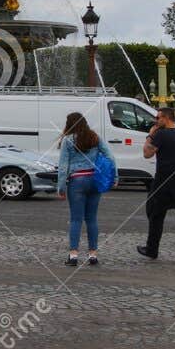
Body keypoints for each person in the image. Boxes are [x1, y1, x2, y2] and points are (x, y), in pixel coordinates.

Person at [137, 106, 175, 264]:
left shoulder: (160, 135)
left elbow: (147, 153)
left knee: (156, 215)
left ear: (166, 118)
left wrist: (150, 135)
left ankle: (152, 249)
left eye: (158, 118)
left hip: (164, 181)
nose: (156, 121)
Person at [56, 112, 113, 267]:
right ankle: (93, 254)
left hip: (77, 181)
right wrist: (115, 177)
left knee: (76, 219)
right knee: (92, 219)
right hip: (94, 180)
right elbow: (110, 157)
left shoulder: (68, 140)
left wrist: (61, 187)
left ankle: (73, 255)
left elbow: (63, 167)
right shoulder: (95, 137)